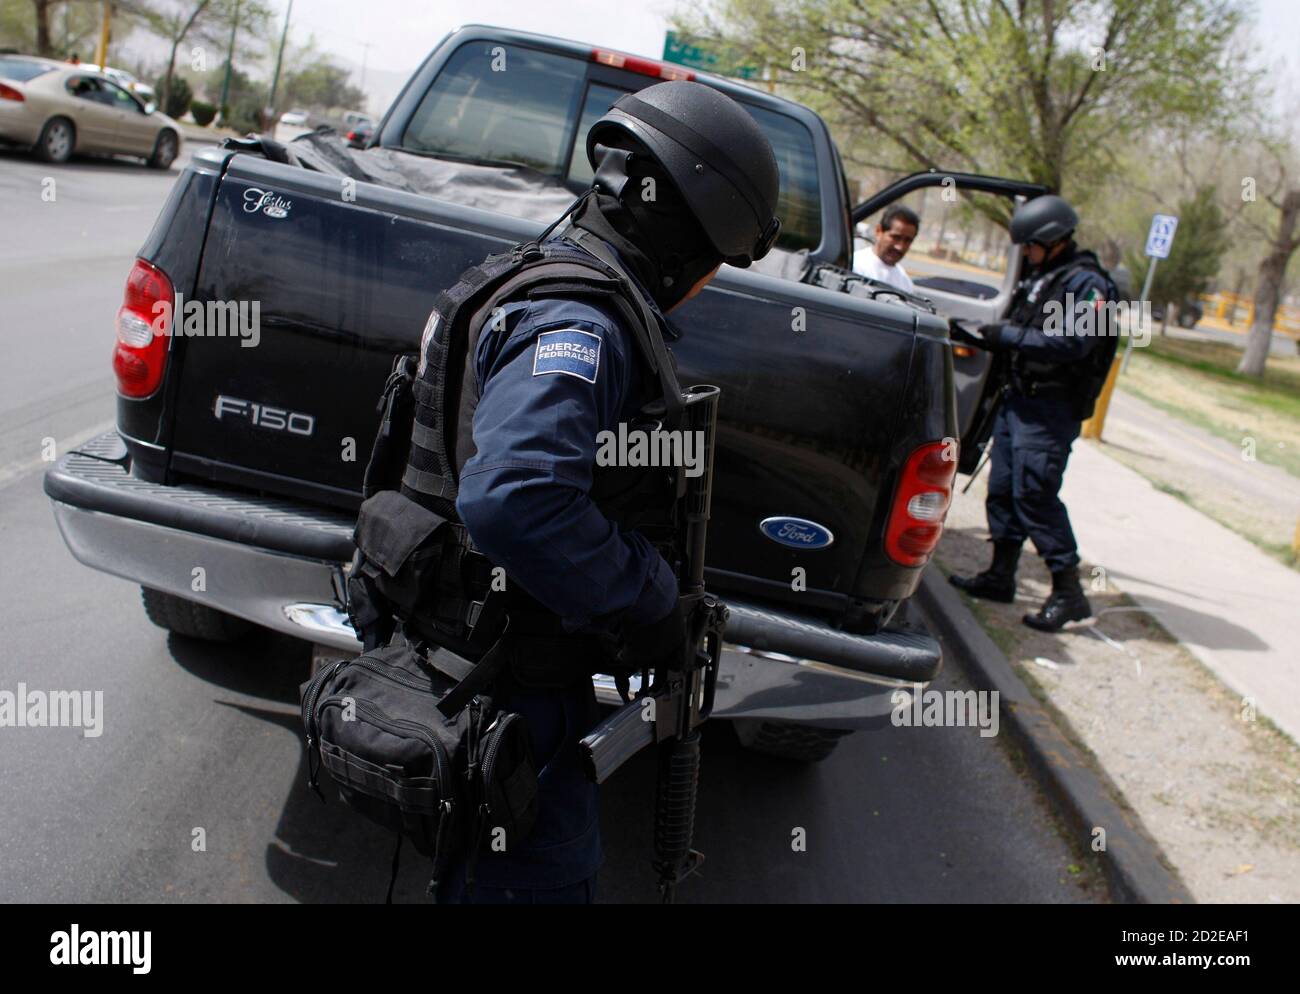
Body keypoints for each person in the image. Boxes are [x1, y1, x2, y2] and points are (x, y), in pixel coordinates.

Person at [429, 80, 780, 903]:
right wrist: (649, 598)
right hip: (511, 693)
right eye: (715, 264)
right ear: (685, 239)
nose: (708, 285)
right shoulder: (580, 323)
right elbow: (515, 496)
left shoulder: (528, 275)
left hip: (476, 665)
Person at [949, 194, 1117, 632]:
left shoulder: (1088, 285)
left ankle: (1069, 593)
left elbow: (1071, 343)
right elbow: (1026, 330)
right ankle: (1000, 575)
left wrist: (1009, 335)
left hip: (1050, 409)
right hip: (1019, 402)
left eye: (1030, 245)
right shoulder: (1045, 278)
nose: (1026, 253)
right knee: (1003, 489)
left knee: (1036, 495)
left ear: (1052, 240)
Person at [853, 204, 919, 292]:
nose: (900, 247)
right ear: (878, 231)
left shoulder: (905, 283)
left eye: (907, 240)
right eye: (896, 237)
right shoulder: (856, 266)